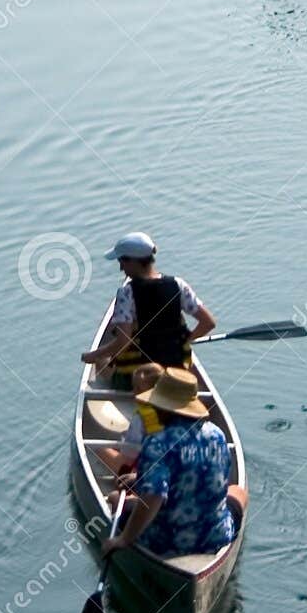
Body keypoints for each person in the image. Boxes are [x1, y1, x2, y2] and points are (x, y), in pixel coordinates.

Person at [102, 368, 247, 561]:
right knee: (238, 491)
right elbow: (210, 480)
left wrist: (123, 540)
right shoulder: (217, 435)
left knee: (115, 498)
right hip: (214, 538)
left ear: (164, 407)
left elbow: (153, 498)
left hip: (166, 542)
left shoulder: (157, 442)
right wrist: (141, 478)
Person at [80, 232, 216, 386]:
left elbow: (123, 342)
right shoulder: (178, 285)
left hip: (138, 377)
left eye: (121, 262)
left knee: (101, 360)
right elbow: (208, 323)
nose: (120, 268)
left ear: (133, 262)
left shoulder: (126, 293)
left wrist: (94, 355)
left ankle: (110, 381)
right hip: (176, 373)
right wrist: (185, 341)